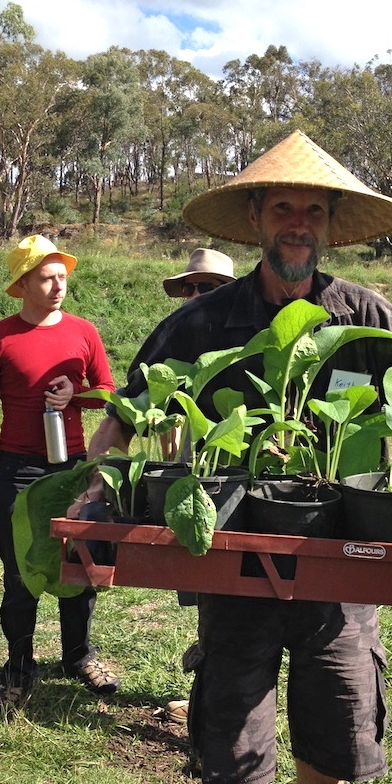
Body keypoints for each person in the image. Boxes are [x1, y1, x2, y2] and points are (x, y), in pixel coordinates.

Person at [85, 130, 392, 784]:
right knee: (238, 774)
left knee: (328, 761)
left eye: (312, 211)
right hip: (235, 575)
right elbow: (129, 413)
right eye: (282, 209)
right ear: (256, 219)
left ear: (328, 225)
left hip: (341, 579)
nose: (297, 224)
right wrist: (93, 488)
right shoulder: (205, 323)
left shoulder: (365, 317)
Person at [0, 234, 121, 710]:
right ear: (23, 284)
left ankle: (78, 657)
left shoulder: (83, 331)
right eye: (46, 278)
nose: (58, 286)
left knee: (78, 568)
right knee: (20, 575)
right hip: (15, 471)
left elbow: (108, 392)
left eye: (62, 277)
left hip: (72, 469)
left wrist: (76, 394)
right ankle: (18, 668)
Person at [162, 246, 236, 725]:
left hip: (232, 475)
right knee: (201, 577)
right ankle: (208, 687)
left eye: (203, 288)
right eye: (187, 288)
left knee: (228, 581)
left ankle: (216, 696)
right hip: (192, 470)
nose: (191, 295)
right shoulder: (181, 338)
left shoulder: (242, 341)